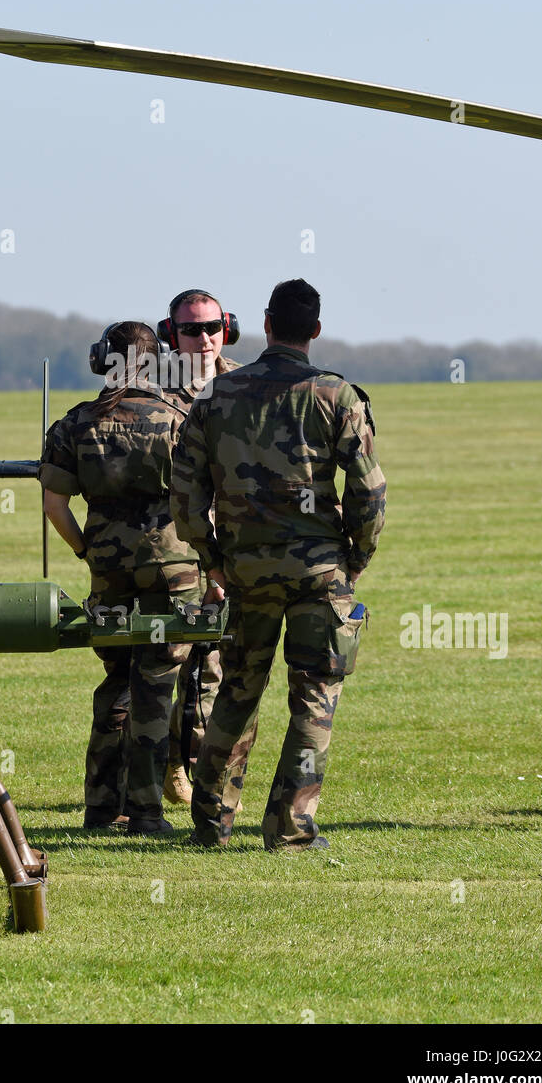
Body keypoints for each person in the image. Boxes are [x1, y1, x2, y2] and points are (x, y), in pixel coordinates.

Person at [171, 278, 387, 851]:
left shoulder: (216, 397)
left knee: (237, 692)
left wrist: (210, 558)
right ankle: (289, 829)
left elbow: (184, 487)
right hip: (320, 571)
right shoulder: (336, 396)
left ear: (265, 324)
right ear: (315, 330)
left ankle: (211, 822)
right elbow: (368, 494)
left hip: (244, 571)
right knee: (314, 698)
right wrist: (356, 556)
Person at [40, 321, 199, 836]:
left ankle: (101, 808)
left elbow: (54, 503)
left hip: (108, 568)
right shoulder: (179, 419)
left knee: (116, 682)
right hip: (172, 567)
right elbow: (204, 500)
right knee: (155, 683)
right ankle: (147, 813)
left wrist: (87, 549)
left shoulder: (74, 424)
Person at [157, 289, 240, 806]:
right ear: (171, 335)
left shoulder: (242, 383)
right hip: (176, 545)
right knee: (170, 659)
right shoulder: (152, 391)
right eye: (192, 330)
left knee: (216, 662)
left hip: (233, 542)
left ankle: (192, 765)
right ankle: (169, 766)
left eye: (213, 327)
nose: (205, 338)